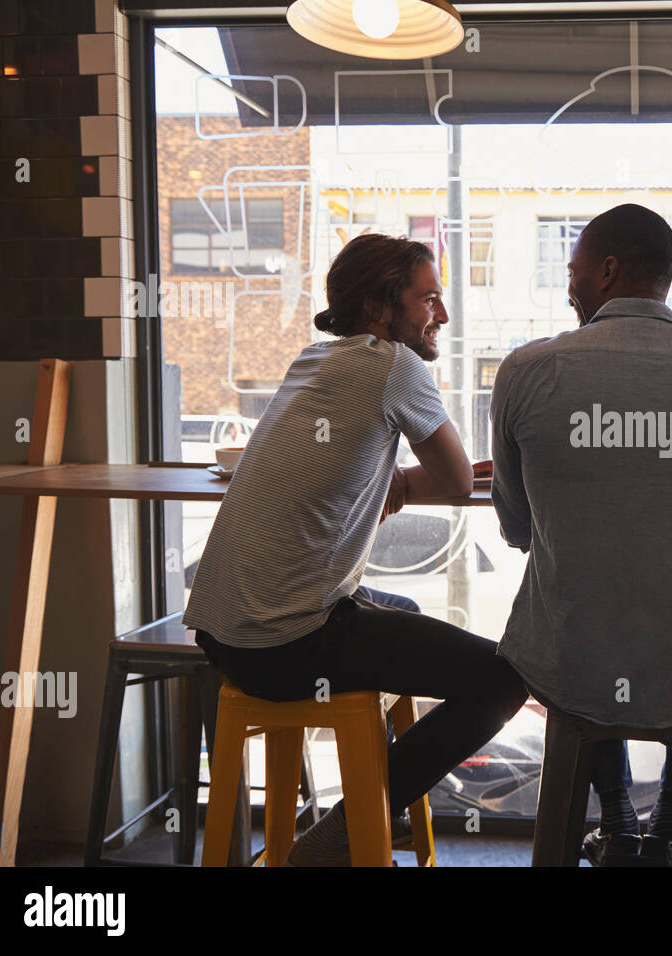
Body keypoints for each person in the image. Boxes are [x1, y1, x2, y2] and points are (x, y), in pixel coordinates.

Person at [184, 234, 528, 866]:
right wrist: (429, 477)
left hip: (220, 632)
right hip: (287, 644)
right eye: (429, 299)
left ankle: (370, 816)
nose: (442, 316)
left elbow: (363, 464)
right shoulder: (396, 367)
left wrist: (396, 480)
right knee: (504, 678)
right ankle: (350, 829)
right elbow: (454, 482)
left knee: (402, 611)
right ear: (379, 307)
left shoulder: (313, 361)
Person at [489, 203, 672, 866]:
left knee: (587, 580)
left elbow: (515, 526)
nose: (570, 285)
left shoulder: (527, 371)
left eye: (575, 270)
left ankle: (617, 819)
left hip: (570, 652)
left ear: (608, 270)